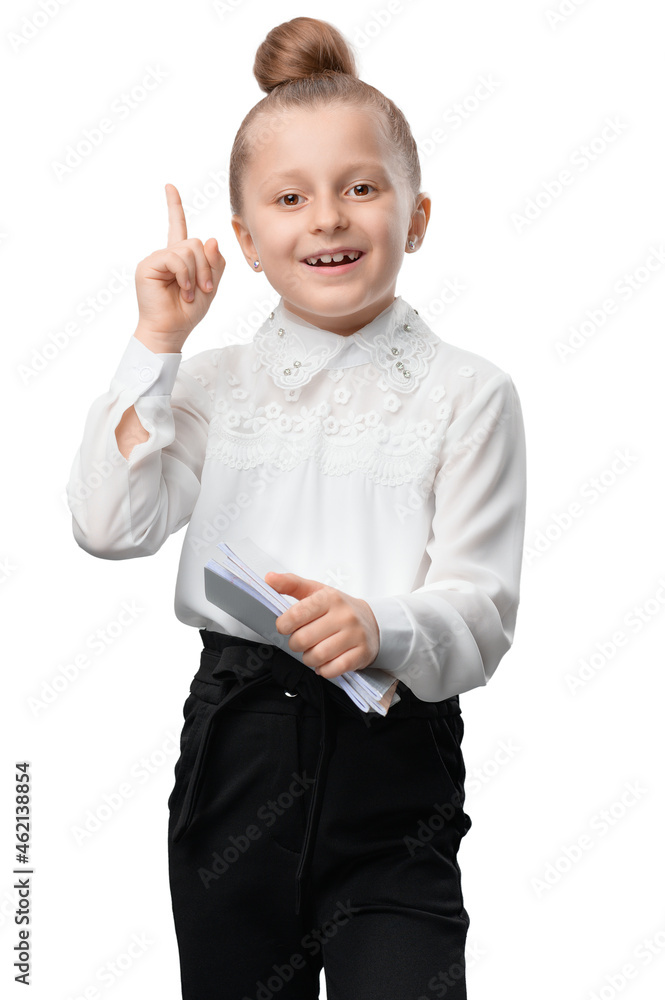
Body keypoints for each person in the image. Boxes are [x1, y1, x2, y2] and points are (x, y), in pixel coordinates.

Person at [66, 15, 527, 1000]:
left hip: (392, 767)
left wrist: (378, 623)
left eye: (360, 188)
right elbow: (110, 526)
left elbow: (482, 613)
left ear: (415, 217)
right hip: (239, 756)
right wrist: (154, 343)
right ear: (245, 240)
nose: (326, 217)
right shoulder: (211, 383)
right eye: (289, 197)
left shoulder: (469, 394)